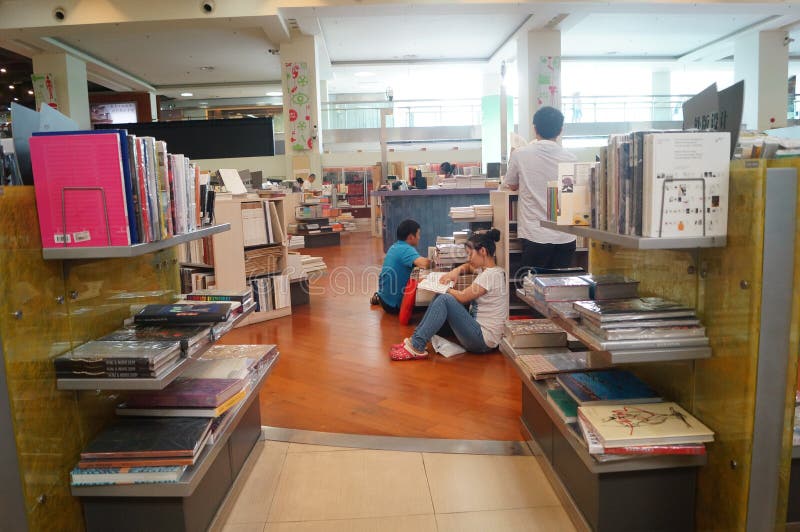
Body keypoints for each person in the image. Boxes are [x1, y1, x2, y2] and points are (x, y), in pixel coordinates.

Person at [389, 229, 508, 361]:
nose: (469, 259)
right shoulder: (491, 270)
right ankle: (415, 341)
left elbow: (463, 297)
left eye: (470, 254)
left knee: (444, 298)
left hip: (482, 341)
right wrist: (456, 271)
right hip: (478, 331)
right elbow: (468, 267)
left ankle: (417, 345)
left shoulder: (490, 276)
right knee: (441, 297)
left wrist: (442, 287)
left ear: (483, 251)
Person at [505, 106, 577, 271]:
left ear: (535, 128)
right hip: (565, 236)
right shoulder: (571, 158)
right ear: (560, 130)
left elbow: (512, 184)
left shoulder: (520, 154)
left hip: (535, 234)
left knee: (531, 288)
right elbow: (569, 192)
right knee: (559, 288)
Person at [371, 219, 432, 313]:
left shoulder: (394, 247)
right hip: (394, 306)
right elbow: (425, 264)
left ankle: (379, 298)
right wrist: (437, 258)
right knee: (432, 301)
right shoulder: (406, 249)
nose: (419, 237)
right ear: (411, 237)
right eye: (418, 234)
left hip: (384, 299)